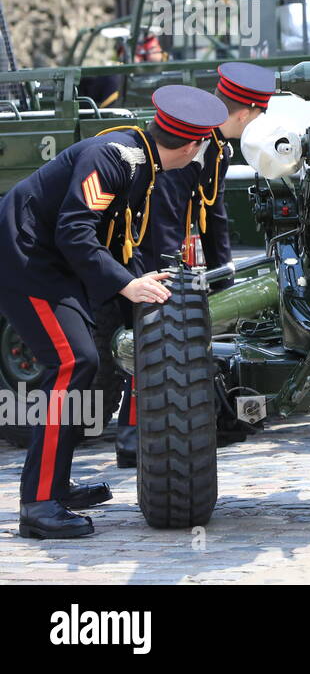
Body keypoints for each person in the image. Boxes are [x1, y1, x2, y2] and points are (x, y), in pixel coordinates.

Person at [0, 85, 227, 538]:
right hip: (24, 257)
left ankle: (56, 486)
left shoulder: (140, 159)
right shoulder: (116, 159)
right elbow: (74, 232)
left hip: (49, 263)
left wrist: (141, 288)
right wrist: (128, 285)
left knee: (86, 362)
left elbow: (122, 238)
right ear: (190, 145)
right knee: (72, 362)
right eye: (202, 147)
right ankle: (39, 504)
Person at [114, 63, 275, 468]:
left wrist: (225, 273)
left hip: (160, 253)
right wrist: (168, 274)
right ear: (244, 114)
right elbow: (159, 215)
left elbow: (213, 211)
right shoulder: (191, 142)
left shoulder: (214, 145)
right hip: (143, 255)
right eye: (260, 115)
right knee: (154, 335)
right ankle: (134, 437)